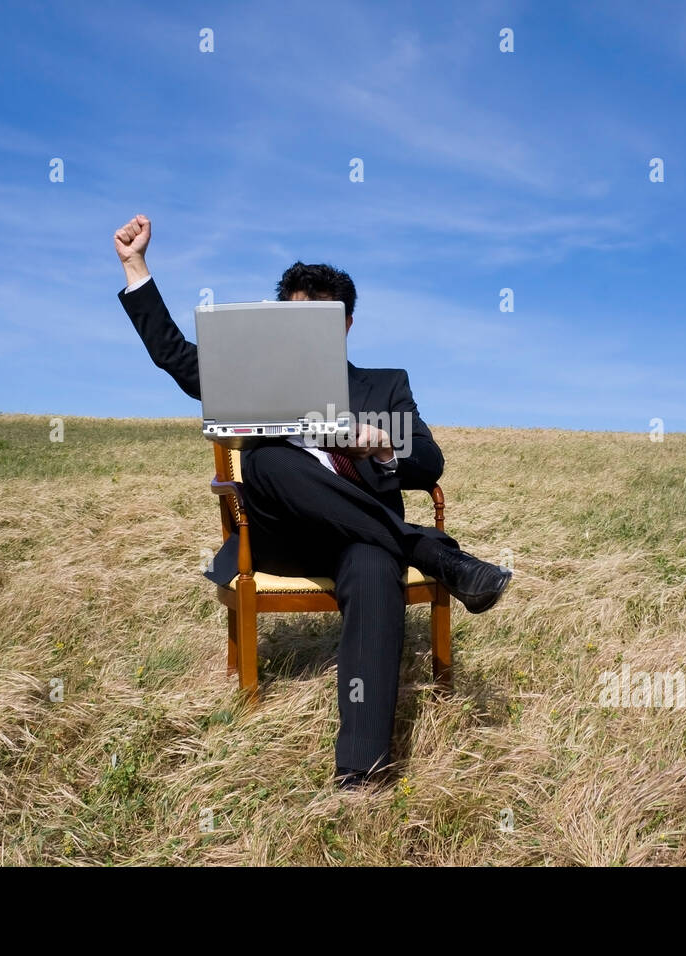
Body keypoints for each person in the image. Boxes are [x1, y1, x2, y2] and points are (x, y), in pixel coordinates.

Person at [113, 213, 512, 788]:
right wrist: (136, 266)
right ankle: (436, 553)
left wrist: (384, 448)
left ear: (347, 325)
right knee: (267, 458)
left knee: (376, 563)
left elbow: (429, 462)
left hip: (359, 540)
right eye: (295, 319)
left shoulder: (383, 386)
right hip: (283, 539)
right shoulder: (253, 379)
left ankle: (362, 774)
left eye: (322, 320)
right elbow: (177, 357)